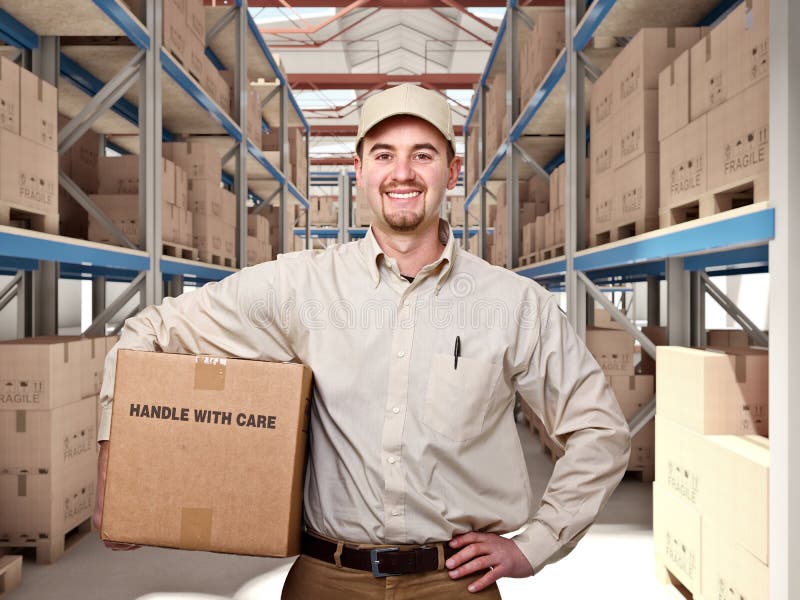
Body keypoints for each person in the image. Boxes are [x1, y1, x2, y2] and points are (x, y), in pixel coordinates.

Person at [93, 83, 630, 599]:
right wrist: (118, 475)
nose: (402, 173)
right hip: (327, 578)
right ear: (359, 170)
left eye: (422, 155)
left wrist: (536, 545)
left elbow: (600, 430)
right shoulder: (297, 288)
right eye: (383, 155)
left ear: (452, 170)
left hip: (456, 584)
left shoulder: (514, 304)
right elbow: (148, 332)